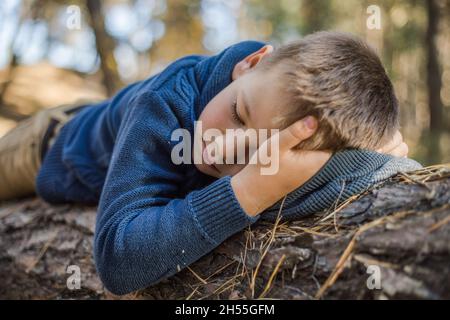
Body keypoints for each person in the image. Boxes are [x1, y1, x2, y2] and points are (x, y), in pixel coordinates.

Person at [0, 31, 420, 295]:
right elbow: (117, 260)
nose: (220, 151)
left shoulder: (265, 105)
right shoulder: (164, 104)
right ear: (250, 63)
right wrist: (250, 187)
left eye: (257, 158)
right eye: (238, 114)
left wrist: (372, 163)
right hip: (46, 143)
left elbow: (309, 182)